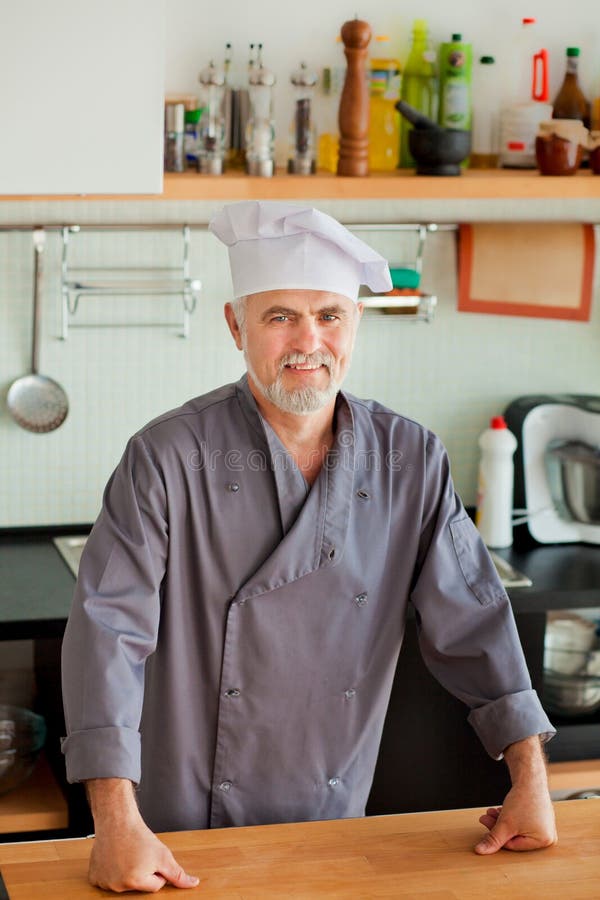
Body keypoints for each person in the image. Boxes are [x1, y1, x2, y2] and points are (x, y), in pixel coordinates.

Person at [61, 200, 557, 894]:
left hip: (333, 819)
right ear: (236, 325)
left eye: (329, 315)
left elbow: (473, 620)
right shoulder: (168, 457)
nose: (308, 341)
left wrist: (531, 777)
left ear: (355, 323)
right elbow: (108, 637)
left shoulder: (408, 459)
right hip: (173, 834)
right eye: (279, 317)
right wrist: (114, 820)